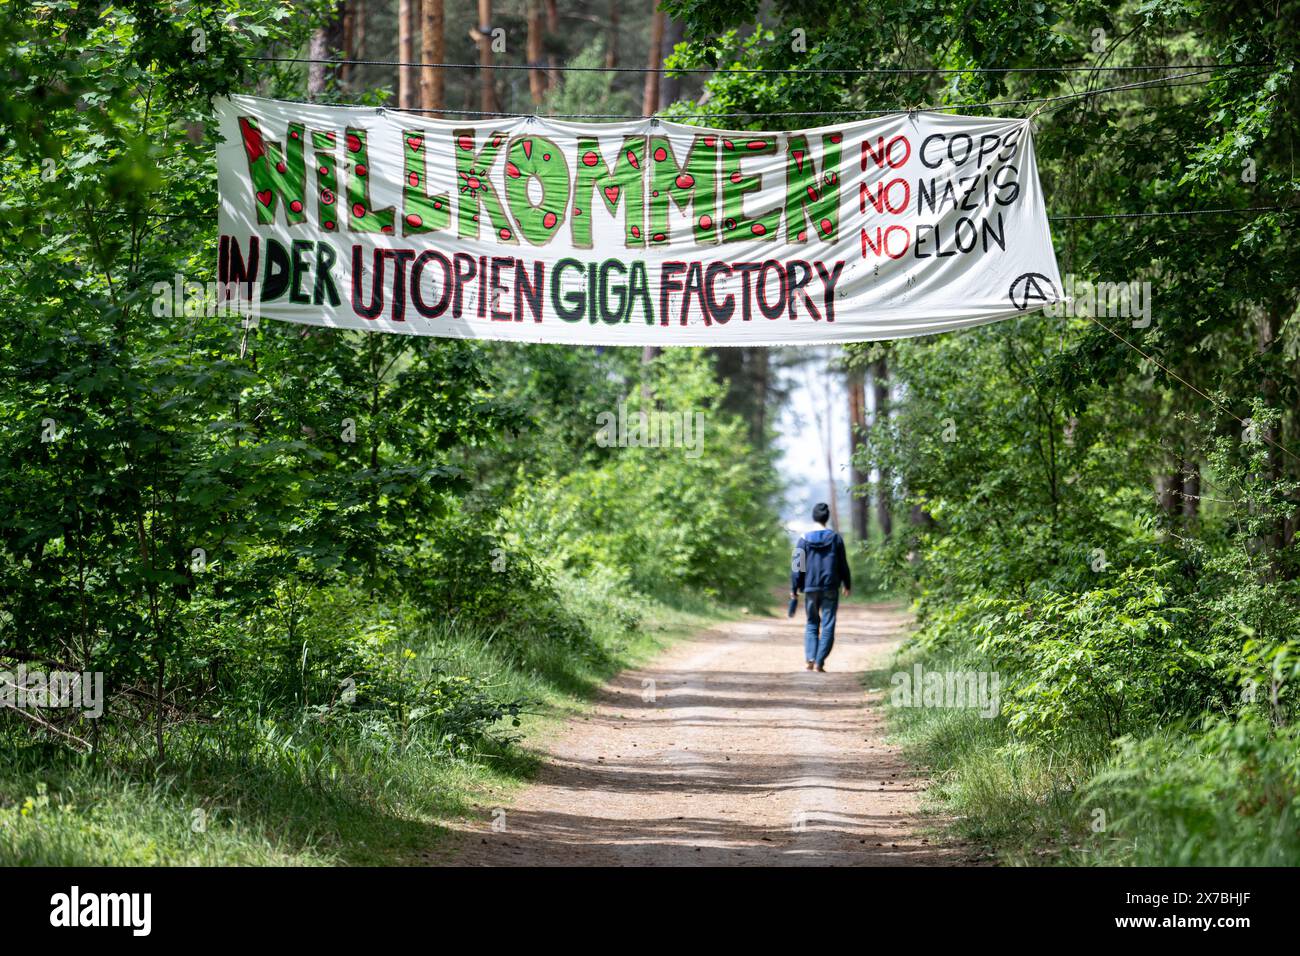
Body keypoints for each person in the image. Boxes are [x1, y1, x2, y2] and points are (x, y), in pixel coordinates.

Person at [790, 502, 851, 672]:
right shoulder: (835, 538)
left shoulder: (803, 539)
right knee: (828, 623)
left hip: (810, 587)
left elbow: (797, 566)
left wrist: (794, 587)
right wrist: (847, 583)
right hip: (830, 586)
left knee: (811, 623)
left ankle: (810, 658)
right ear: (827, 518)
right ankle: (819, 662)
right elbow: (842, 564)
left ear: (813, 517)